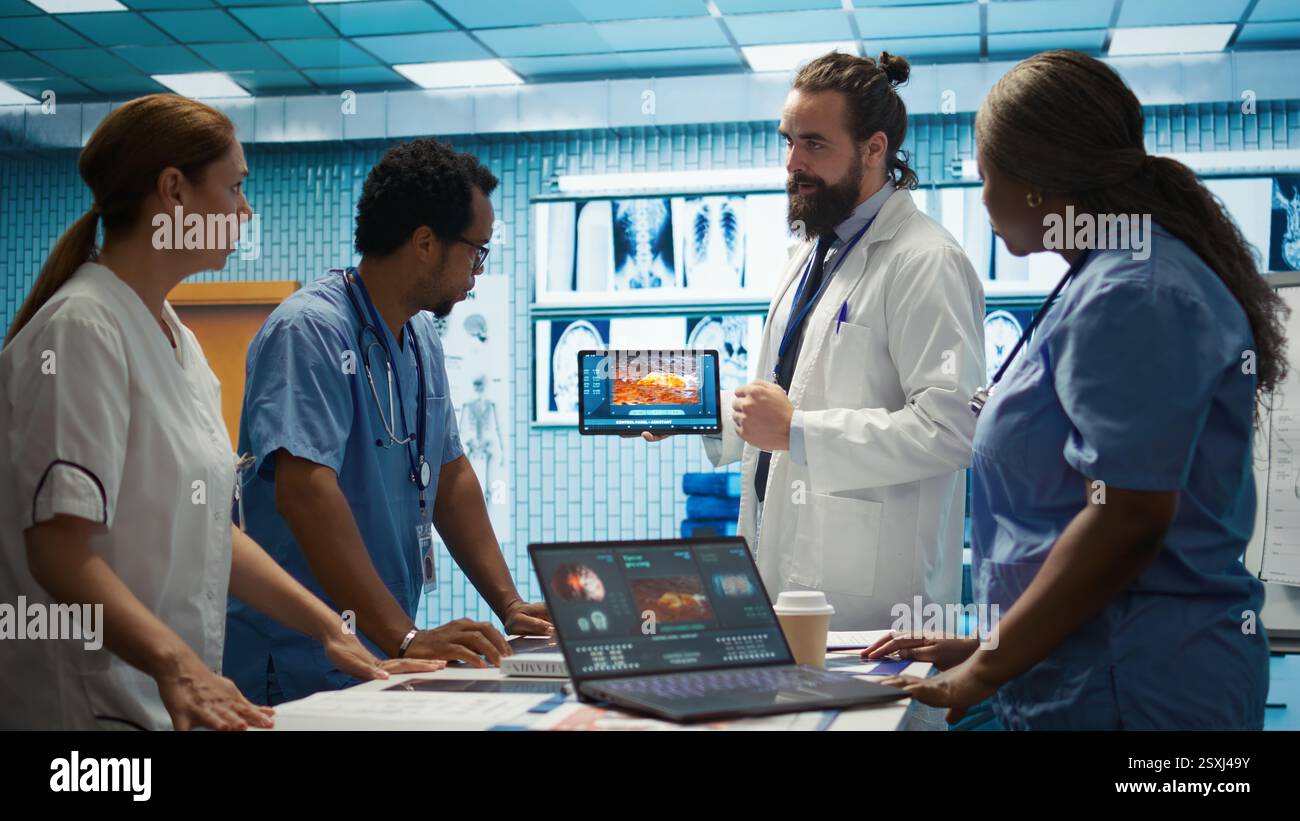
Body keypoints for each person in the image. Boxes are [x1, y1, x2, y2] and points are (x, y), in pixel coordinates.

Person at [870, 50, 1287, 730]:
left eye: (985, 174)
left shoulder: (1131, 292)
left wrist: (985, 667)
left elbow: (1127, 519)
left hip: (1143, 689)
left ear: (1036, 179)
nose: (982, 196)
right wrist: (988, 641)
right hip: (1098, 671)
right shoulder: (1105, 278)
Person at [0, 94, 439, 731]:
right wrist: (177, 664)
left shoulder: (177, 342)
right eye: (234, 188)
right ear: (173, 191)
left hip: (161, 708)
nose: (246, 210)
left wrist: (332, 631)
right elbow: (58, 552)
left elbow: (213, 533)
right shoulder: (81, 330)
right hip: (85, 719)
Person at [646, 51, 985, 630]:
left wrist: (799, 429)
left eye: (815, 145)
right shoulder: (810, 253)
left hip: (874, 610)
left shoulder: (926, 260)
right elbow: (797, 395)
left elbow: (954, 428)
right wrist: (705, 414)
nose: (793, 163)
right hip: (782, 578)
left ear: (874, 148)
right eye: (788, 141)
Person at [224, 139, 550, 705]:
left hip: (377, 654)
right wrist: (405, 636)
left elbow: (450, 476)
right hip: (296, 659)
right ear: (425, 243)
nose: (478, 272)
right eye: (477, 252)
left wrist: (511, 605)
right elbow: (304, 493)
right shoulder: (309, 331)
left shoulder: (420, 335)